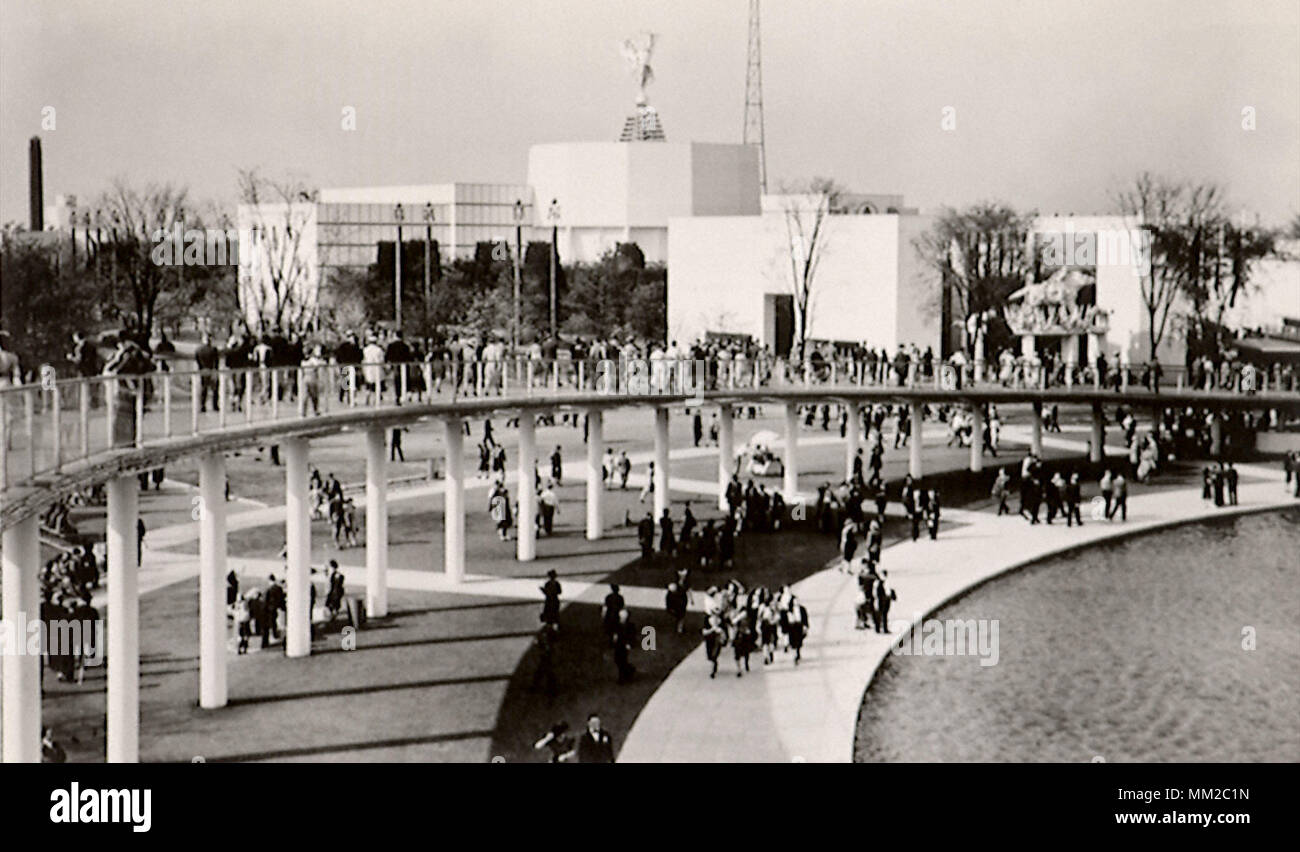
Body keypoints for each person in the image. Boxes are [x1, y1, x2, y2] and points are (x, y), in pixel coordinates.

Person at [530, 624, 559, 698]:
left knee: (544, 670)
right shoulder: (548, 631)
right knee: (546, 671)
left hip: (546, 653)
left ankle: (536, 687)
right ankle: (551, 689)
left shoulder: (546, 632)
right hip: (547, 653)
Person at [782, 595, 808, 664]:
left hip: (799, 626)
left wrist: (805, 626)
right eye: (795, 601)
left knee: (799, 642)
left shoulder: (802, 609)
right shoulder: (789, 611)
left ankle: (798, 652)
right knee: (793, 643)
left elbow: (805, 618)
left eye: (797, 601)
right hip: (792, 628)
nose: (797, 602)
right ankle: (795, 656)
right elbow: (785, 621)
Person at [612, 609, 637, 683]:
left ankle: (622, 677)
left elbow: (632, 635)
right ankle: (629, 671)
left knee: (621, 661)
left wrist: (629, 644)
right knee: (618, 660)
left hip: (623, 645)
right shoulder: (618, 624)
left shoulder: (629, 625)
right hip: (619, 644)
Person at [703, 614, 727, 678]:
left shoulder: (721, 621)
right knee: (710, 656)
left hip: (717, 640)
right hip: (709, 640)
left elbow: (724, 632)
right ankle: (714, 664)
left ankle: (712, 672)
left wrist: (723, 636)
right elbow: (704, 632)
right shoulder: (707, 620)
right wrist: (712, 629)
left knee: (714, 654)